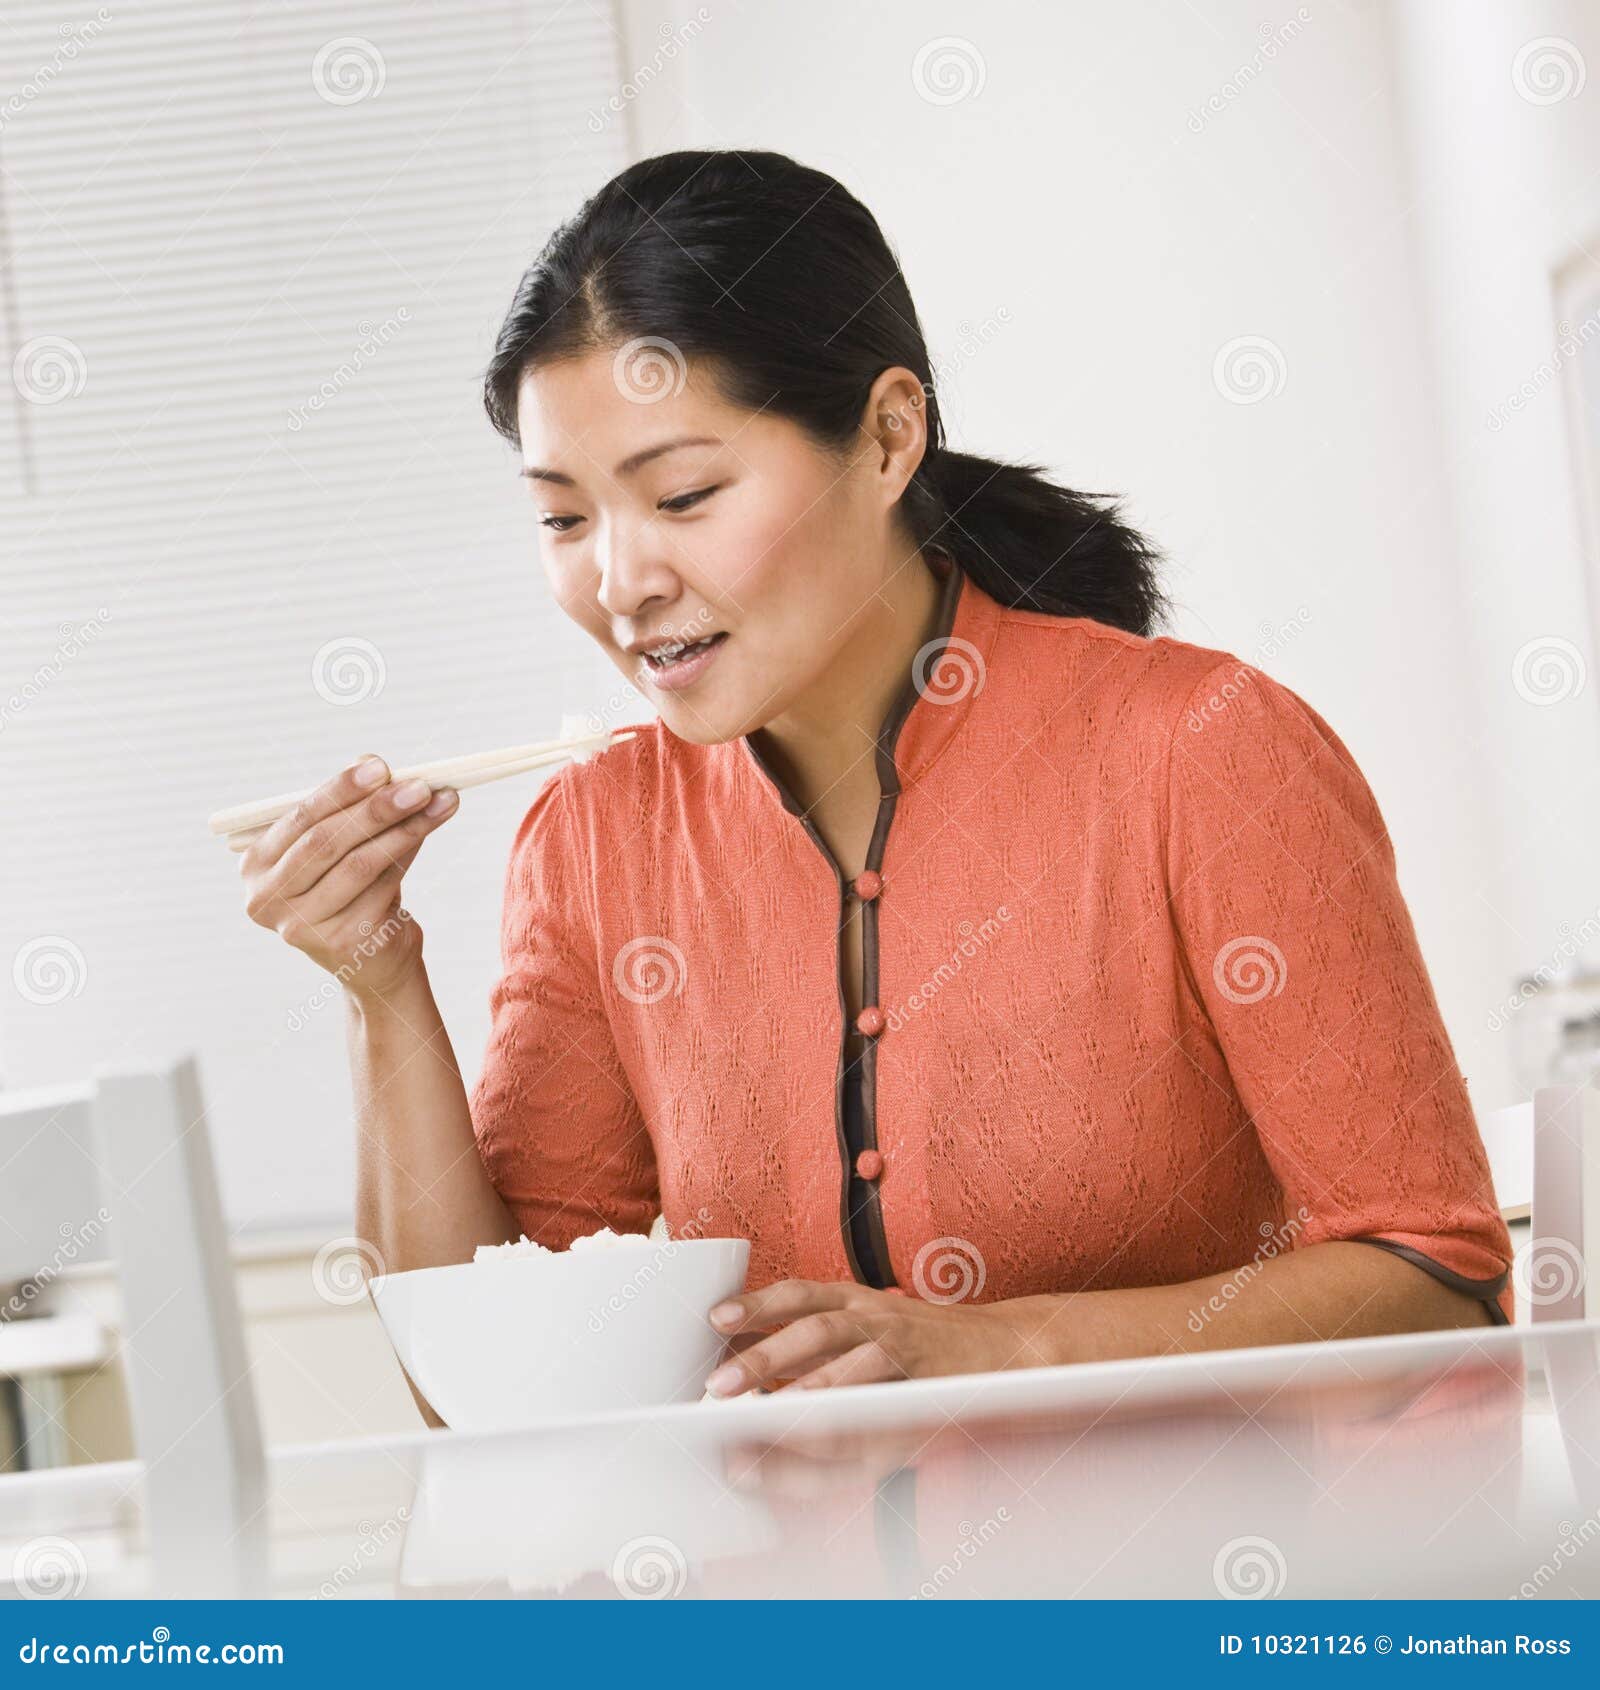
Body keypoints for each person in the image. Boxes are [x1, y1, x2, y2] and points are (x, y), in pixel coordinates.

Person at [239, 150, 1512, 1410]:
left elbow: (1432, 1277)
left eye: (683, 493)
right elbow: (494, 1386)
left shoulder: (1201, 749)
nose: (620, 583)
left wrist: (1000, 1349)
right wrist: (379, 982)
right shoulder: (593, 841)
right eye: (564, 519)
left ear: (890, 435)